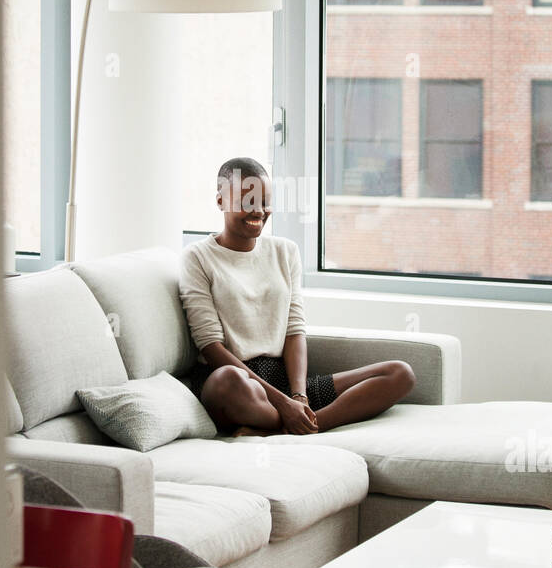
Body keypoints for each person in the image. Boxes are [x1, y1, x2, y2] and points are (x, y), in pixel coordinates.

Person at [178, 156, 415, 435]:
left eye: (265, 202)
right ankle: (291, 423)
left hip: (284, 382)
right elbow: (210, 347)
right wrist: (283, 403)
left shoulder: (285, 251)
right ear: (220, 201)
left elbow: (294, 329)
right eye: (247, 202)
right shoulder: (197, 257)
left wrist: (298, 397)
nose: (259, 211)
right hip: (236, 382)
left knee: (400, 373)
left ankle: (298, 425)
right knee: (227, 382)